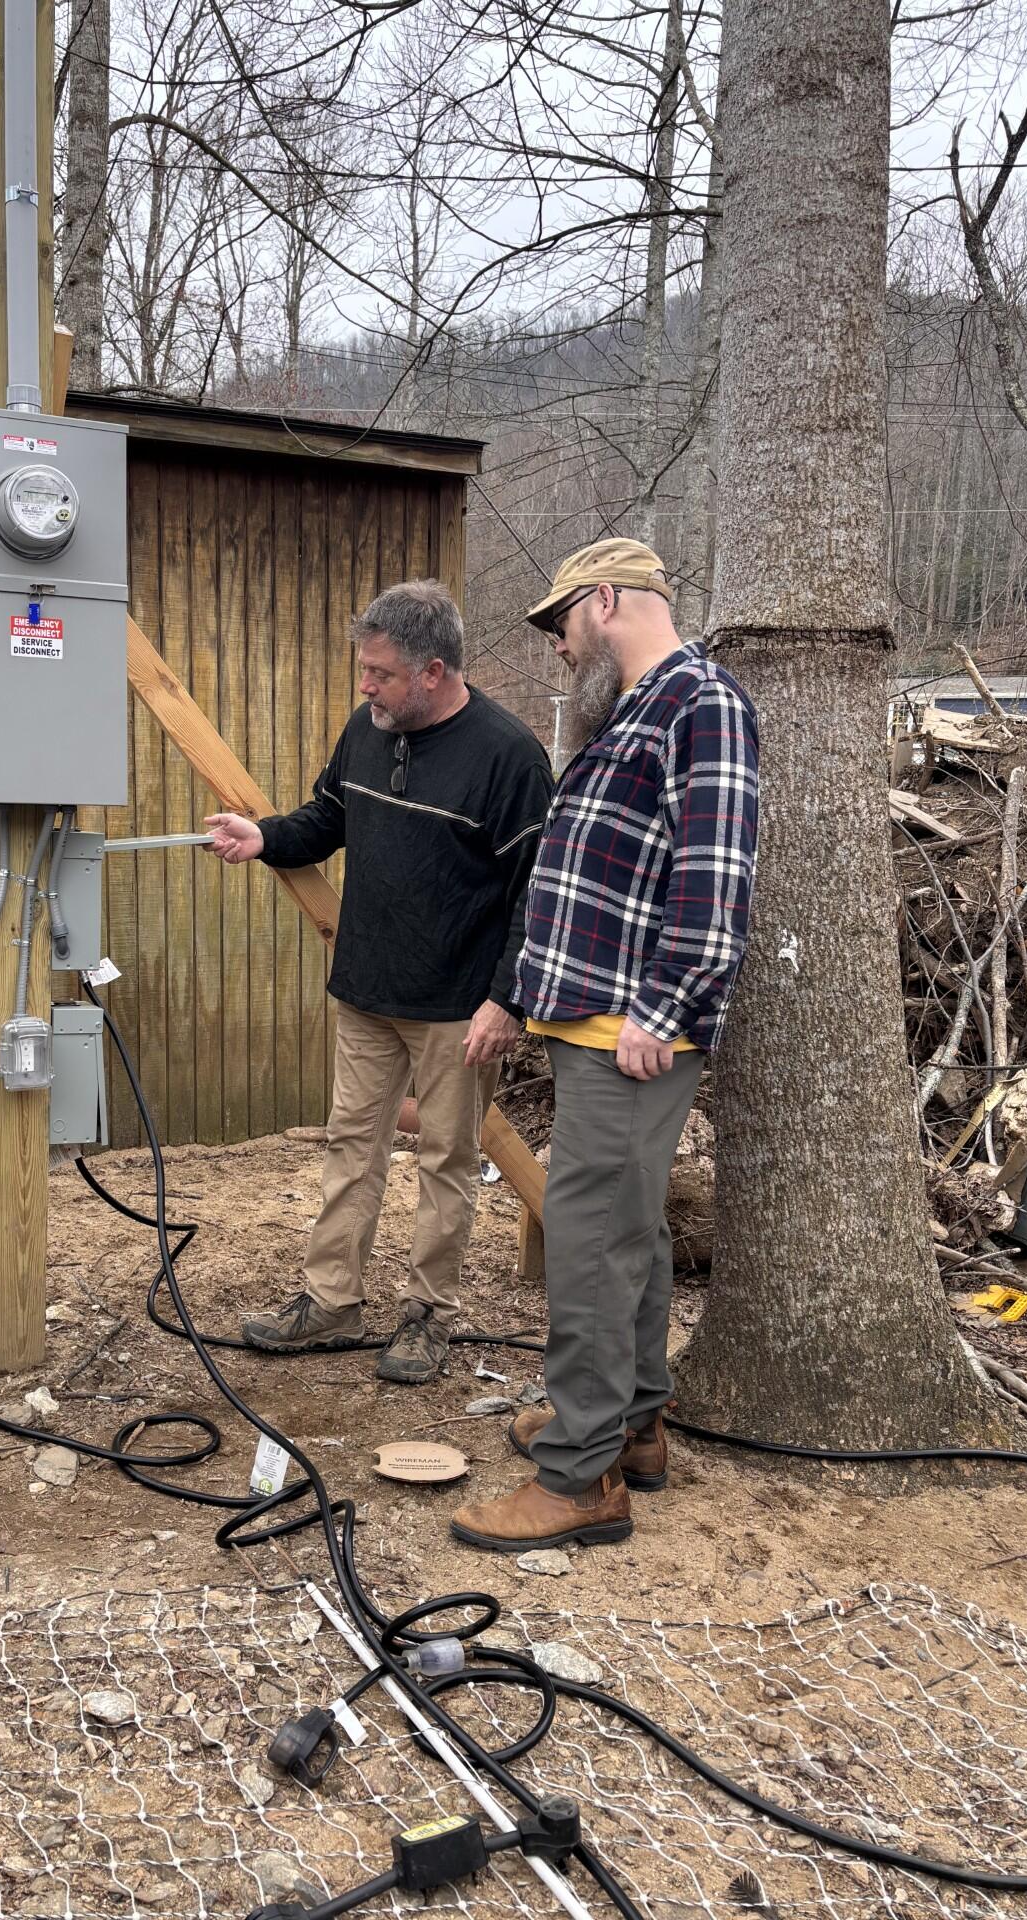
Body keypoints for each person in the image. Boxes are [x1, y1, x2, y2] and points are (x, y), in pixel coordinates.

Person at [450, 538, 759, 1550]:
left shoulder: (700, 703)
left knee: (588, 1240)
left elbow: (714, 880)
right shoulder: (635, 711)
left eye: (562, 622)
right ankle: (633, 1424)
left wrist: (666, 1008)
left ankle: (579, 1477)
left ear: (611, 598)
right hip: (595, 1021)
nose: (555, 644)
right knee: (627, 1231)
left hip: (635, 1030)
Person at [206, 578, 553, 1384]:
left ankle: (429, 1315)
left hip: (457, 1007)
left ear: (434, 671)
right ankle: (331, 1301)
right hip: (365, 988)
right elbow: (328, 818)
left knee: (447, 1160)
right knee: (350, 1147)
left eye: (380, 673)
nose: (365, 687)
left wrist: (508, 1000)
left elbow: (535, 895)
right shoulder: (370, 730)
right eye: (365, 671)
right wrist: (264, 836)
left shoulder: (509, 758)